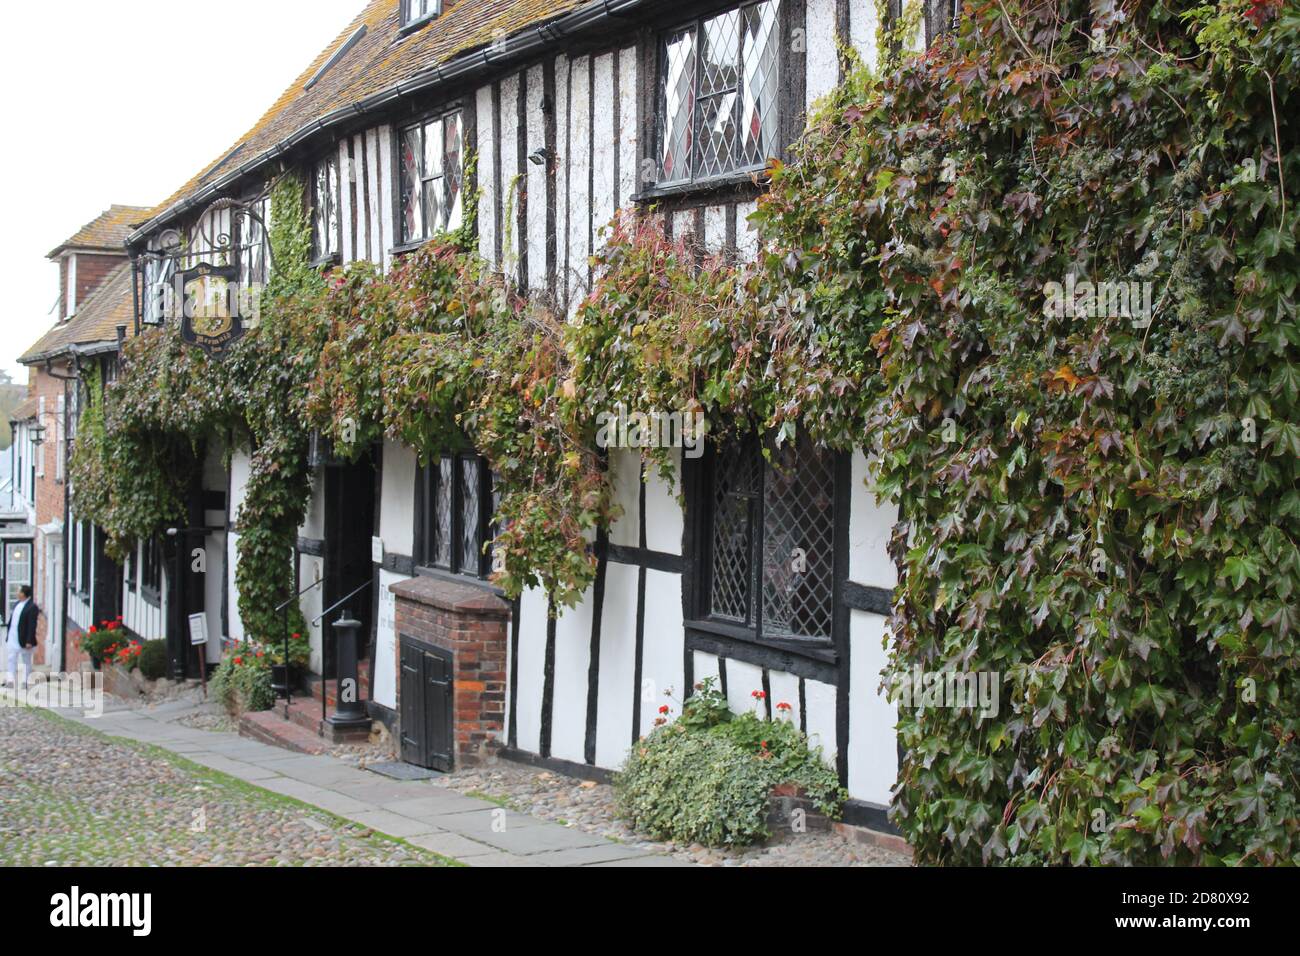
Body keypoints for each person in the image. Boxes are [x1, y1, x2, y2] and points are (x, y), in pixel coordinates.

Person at [5, 585, 38, 688]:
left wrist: (29, 641)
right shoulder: (17, 604)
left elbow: (32, 625)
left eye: (19, 591)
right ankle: (10, 680)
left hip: (24, 639)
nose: (17, 593)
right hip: (13, 636)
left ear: (24, 594)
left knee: (26, 660)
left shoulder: (32, 607)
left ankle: (25, 681)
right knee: (11, 658)